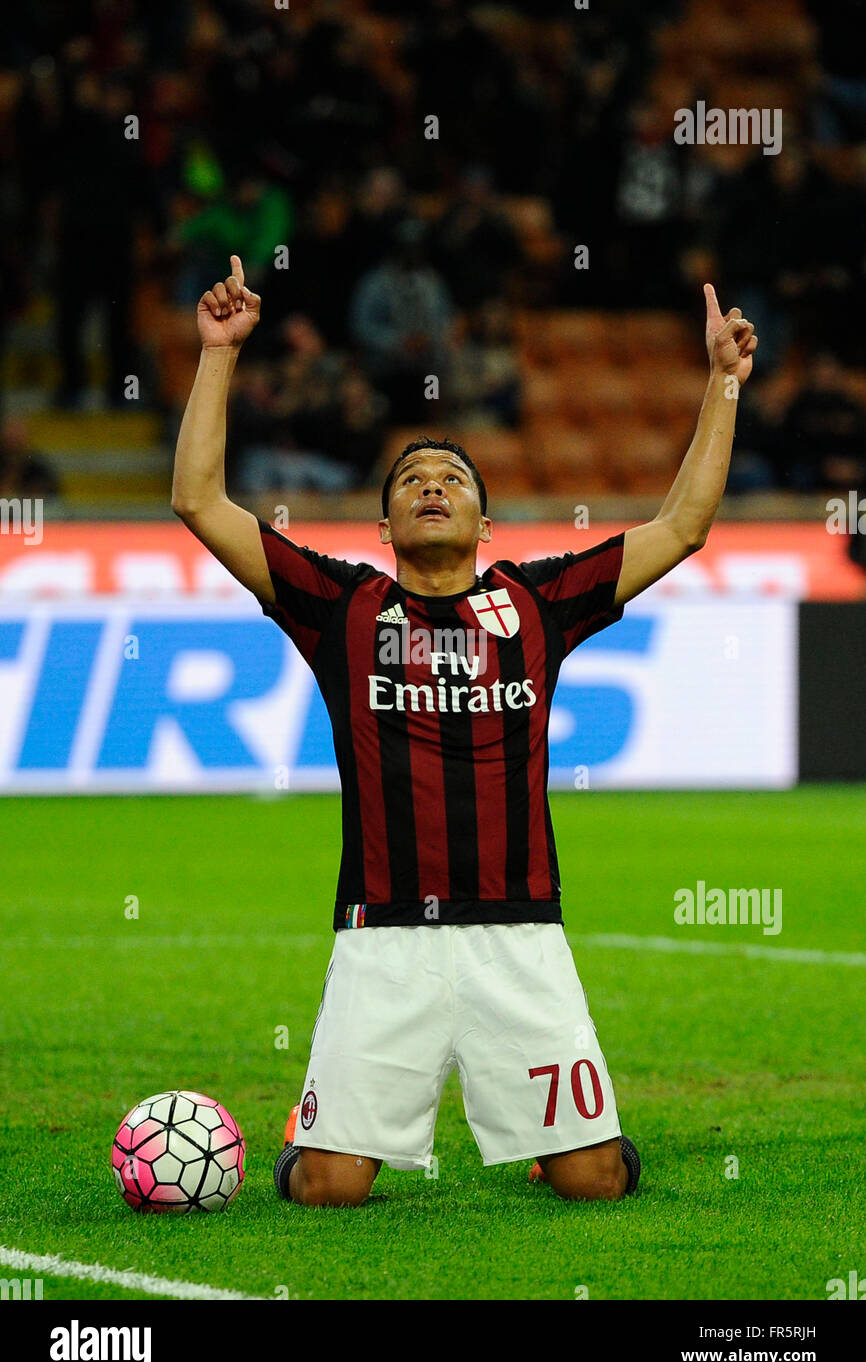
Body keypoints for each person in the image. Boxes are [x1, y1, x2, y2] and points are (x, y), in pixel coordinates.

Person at [172, 255, 757, 1207]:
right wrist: (217, 356)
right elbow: (200, 503)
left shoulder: (537, 602)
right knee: (327, 1190)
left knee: (596, 1184)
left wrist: (723, 383)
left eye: (453, 477)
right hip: (382, 936)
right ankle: (313, 1130)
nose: (432, 486)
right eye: (412, 479)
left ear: (486, 522)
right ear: (385, 521)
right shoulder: (340, 605)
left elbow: (682, 525)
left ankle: (564, 1135)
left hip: (519, 933)